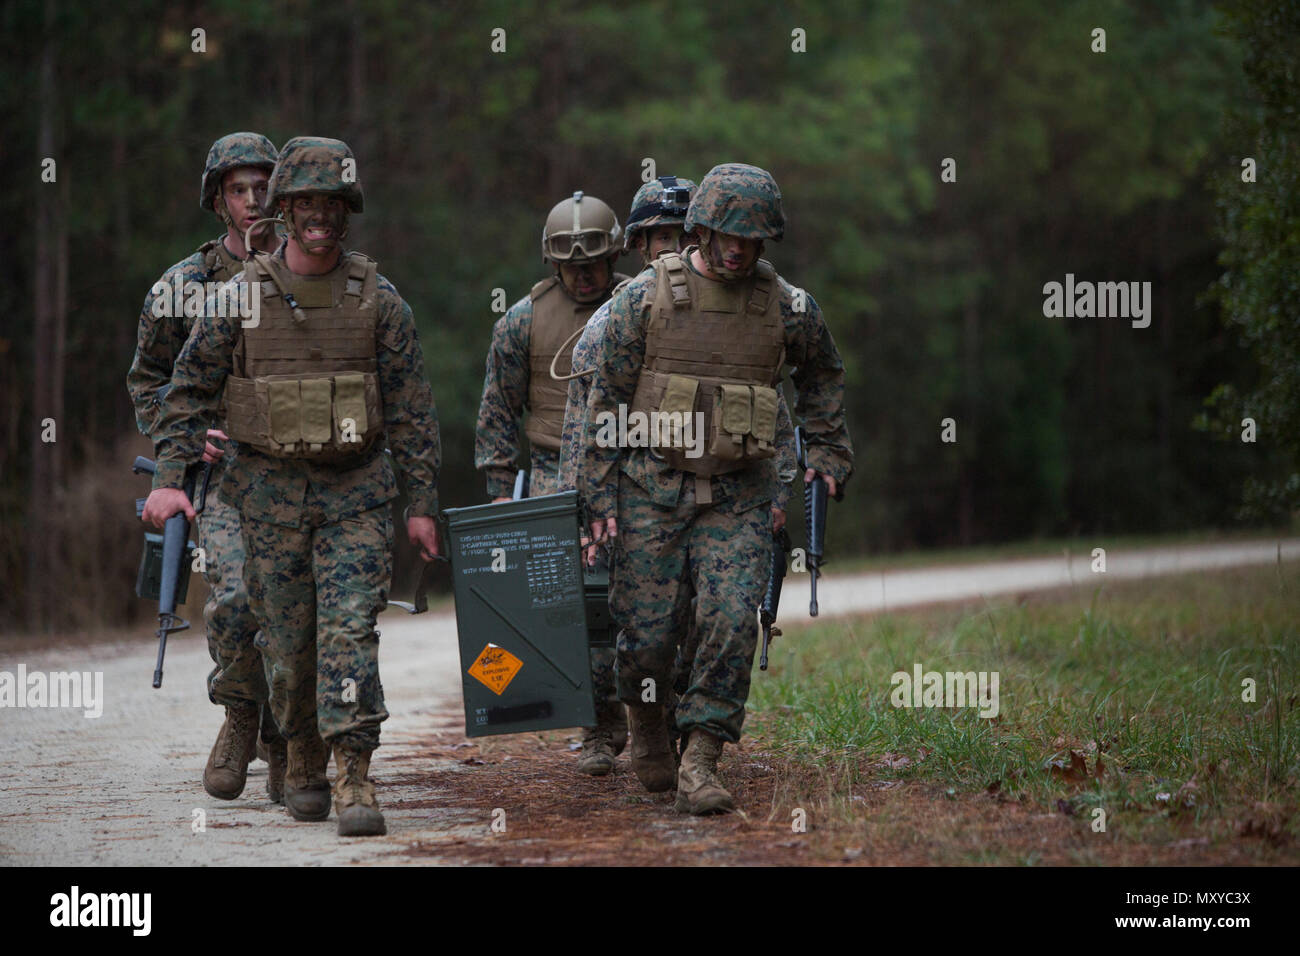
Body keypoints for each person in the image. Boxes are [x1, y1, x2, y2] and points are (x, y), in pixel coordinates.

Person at [141, 136, 441, 838]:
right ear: (286, 210)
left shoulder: (378, 300)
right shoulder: (240, 297)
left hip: (356, 497)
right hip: (267, 500)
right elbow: (185, 392)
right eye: (305, 204)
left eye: (332, 205)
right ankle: (300, 752)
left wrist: (423, 504)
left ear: (347, 213)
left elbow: (412, 409)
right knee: (285, 640)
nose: (320, 219)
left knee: (348, 633)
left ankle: (354, 770)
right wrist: (171, 480)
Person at [580, 163, 853, 814]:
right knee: (645, 639)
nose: (737, 248)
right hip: (651, 486)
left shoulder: (788, 309)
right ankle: (646, 723)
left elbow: (822, 378)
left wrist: (827, 451)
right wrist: (598, 501)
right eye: (725, 234)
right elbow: (606, 401)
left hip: (739, 492)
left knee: (730, 624)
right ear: (699, 229)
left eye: (751, 238)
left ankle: (702, 756)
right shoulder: (643, 300)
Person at [127, 132, 285, 804]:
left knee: (295, 610)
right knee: (237, 603)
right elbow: (149, 384)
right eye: (238, 189)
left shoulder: (311, 272)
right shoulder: (183, 287)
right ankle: (241, 717)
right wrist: (190, 439)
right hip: (224, 479)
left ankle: (286, 741)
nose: (253, 202)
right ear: (217, 201)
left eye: (263, 187)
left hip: (304, 473)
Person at [475, 191, 630, 500]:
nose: (583, 276)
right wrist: (501, 492)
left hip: (626, 472)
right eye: (572, 267)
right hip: (553, 476)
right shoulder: (522, 321)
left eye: (592, 265)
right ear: (554, 265)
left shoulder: (638, 306)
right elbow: (498, 411)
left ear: (613, 256)